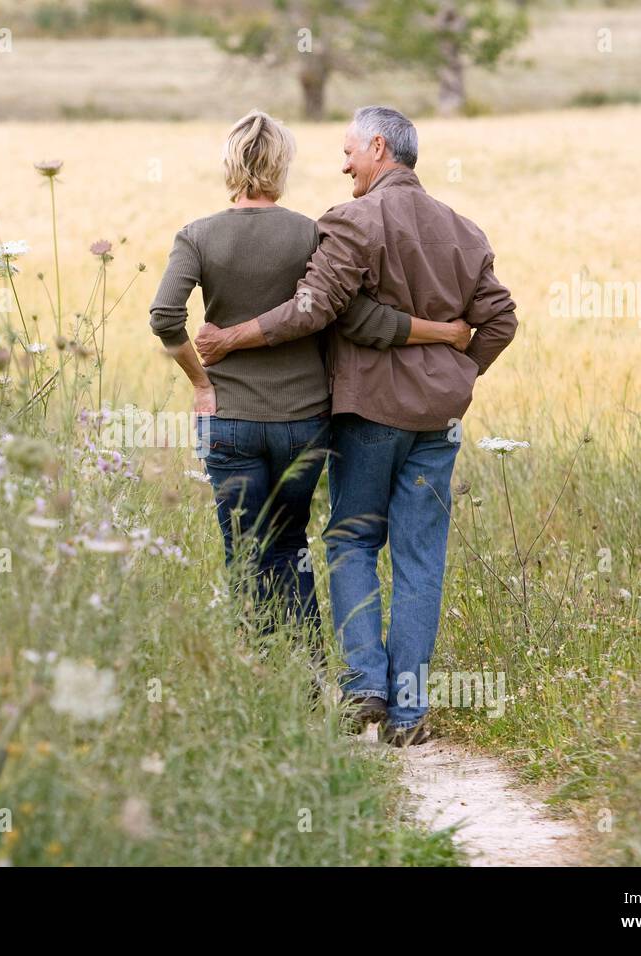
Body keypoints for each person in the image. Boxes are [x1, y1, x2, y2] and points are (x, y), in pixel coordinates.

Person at [196, 106, 518, 745]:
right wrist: (457, 376)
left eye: (348, 153)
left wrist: (231, 337)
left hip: (369, 413)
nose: (344, 166)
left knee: (351, 542)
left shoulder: (352, 220)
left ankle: (365, 683)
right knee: (421, 558)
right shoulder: (463, 229)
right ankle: (409, 714)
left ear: (377, 147)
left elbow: (314, 308)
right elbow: (500, 319)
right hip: (437, 423)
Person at [150, 109, 470, 667]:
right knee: (291, 544)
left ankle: (264, 674)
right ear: (282, 165)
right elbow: (337, 311)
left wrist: (201, 383)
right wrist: (443, 336)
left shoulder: (197, 235)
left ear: (229, 164)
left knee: (247, 552)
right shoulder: (311, 233)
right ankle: (312, 674)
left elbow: (164, 317)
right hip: (304, 422)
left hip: (229, 419)